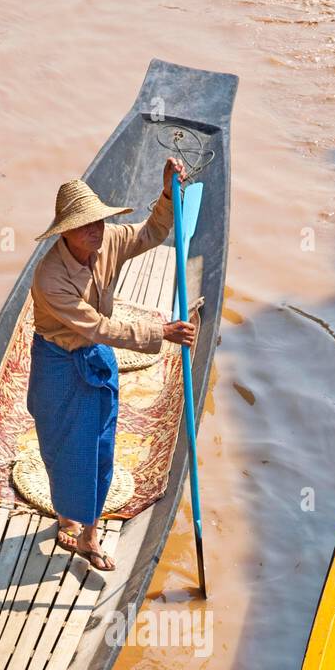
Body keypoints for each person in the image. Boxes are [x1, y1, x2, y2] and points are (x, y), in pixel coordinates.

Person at [28, 158, 196, 572]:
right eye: (87, 225)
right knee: (59, 445)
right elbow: (100, 327)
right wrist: (160, 333)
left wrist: (165, 194)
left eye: (99, 222)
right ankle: (68, 512)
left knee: (98, 446)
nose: (97, 230)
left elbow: (152, 233)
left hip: (92, 357)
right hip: (57, 361)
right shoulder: (50, 277)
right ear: (66, 232)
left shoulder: (108, 242)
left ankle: (89, 534)